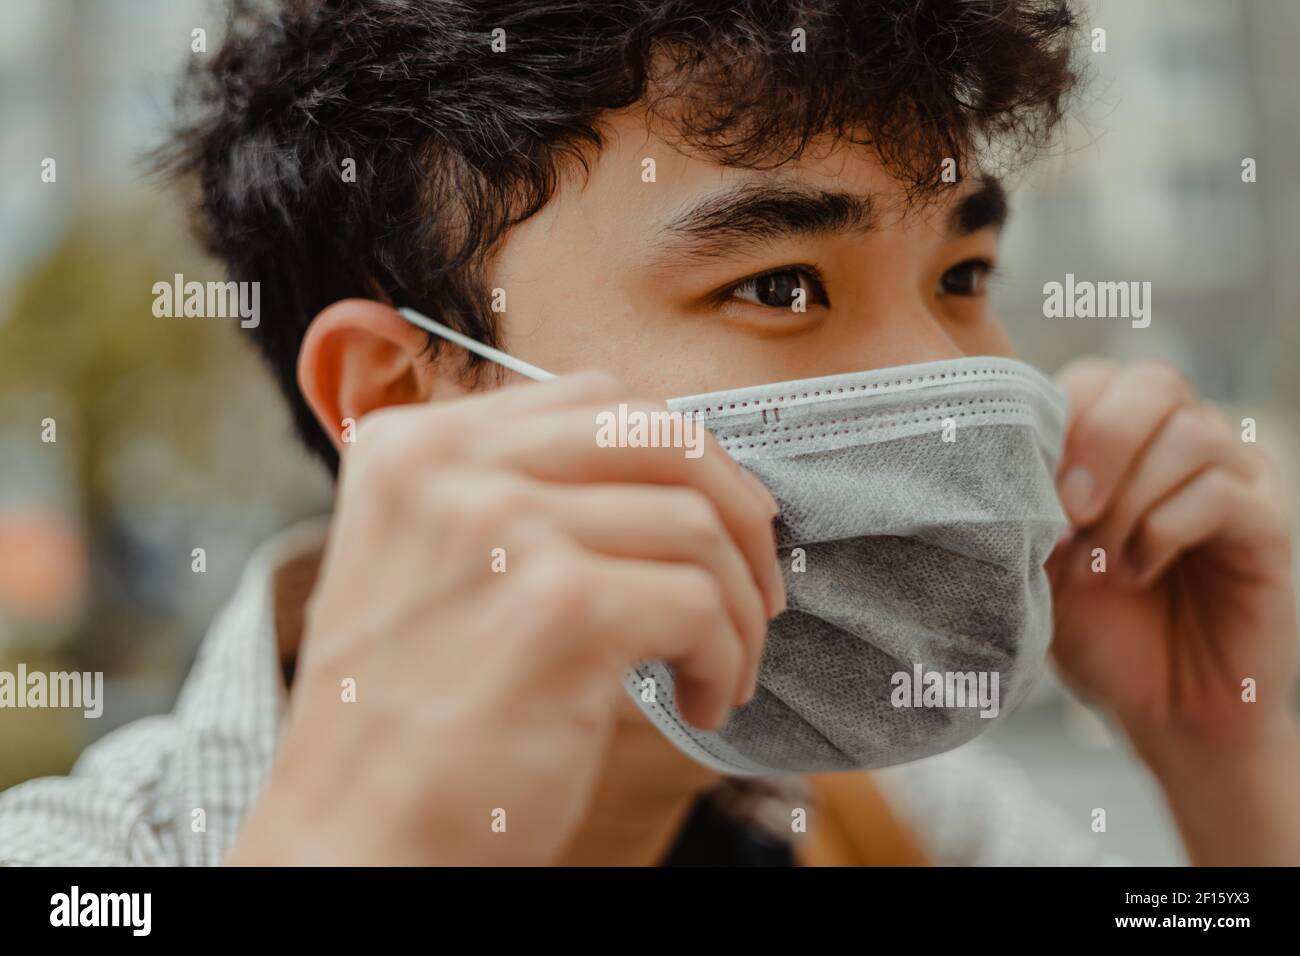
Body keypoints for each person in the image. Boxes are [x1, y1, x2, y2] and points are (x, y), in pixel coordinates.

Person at [1, 0, 1296, 867]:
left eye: (962, 279)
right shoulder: (86, 859)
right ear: (401, 398)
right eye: (782, 286)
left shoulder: (901, 825)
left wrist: (1221, 755)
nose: (951, 386)